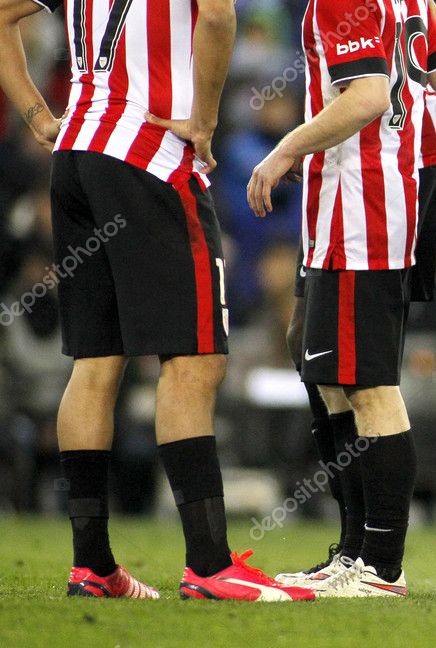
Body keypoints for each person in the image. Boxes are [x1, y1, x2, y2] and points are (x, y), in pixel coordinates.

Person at [0, 0, 313, 600]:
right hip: (151, 155)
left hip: (76, 155)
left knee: (95, 362)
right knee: (194, 357)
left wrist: (37, 114)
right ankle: (209, 561)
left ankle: (91, 565)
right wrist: (204, 120)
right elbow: (219, 16)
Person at [247, 0, 436, 598]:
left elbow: (367, 96)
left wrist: (287, 146)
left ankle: (381, 565)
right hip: (387, 177)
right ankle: (353, 552)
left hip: (370, 191)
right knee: (317, 360)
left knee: (366, 379)